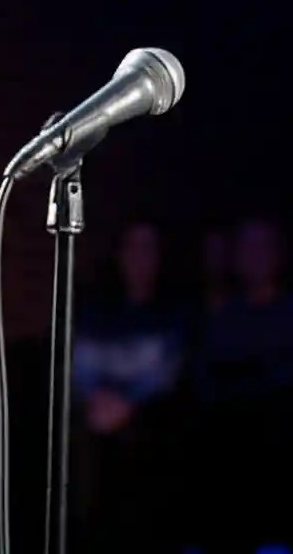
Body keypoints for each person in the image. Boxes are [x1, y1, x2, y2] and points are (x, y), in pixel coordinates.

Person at [187, 218, 293, 552]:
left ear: (278, 255)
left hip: (278, 450)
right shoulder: (224, 314)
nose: (254, 256)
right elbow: (206, 377)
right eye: (247, 248)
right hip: (225, 446)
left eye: (262, 248)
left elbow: (291, 377)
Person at [72, 220, 186, 551]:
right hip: (98, 417)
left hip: (150, 419)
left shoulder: (174, 310)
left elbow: (166, 372)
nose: (139, 258)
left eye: (147, 249)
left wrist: (128, 403)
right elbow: (82, 364)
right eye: (132, 248)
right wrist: (95, 398)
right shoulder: (97, 308)